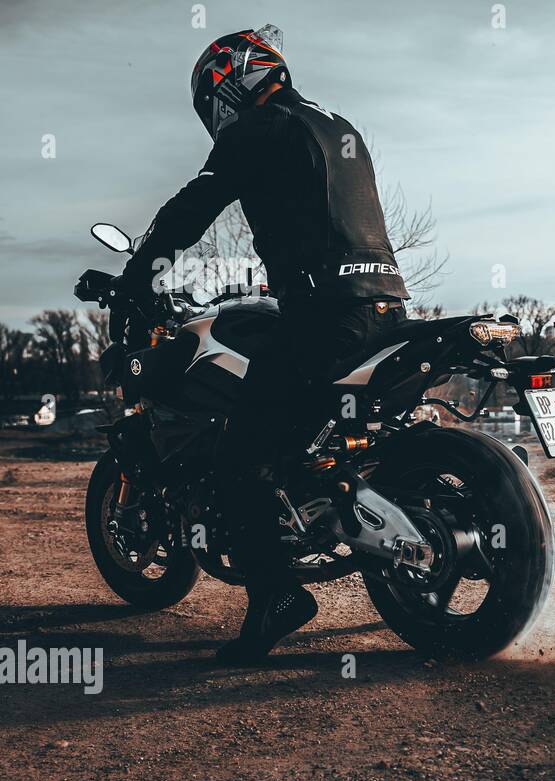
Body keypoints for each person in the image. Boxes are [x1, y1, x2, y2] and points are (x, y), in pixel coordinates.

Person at [113, 25, 409, 662]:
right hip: (385, 308)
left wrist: (138, 276)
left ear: (231, 79)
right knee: (312, 432)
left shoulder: (259, 127)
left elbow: (191, 210)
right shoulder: (336, 125)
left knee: (239, 457)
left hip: (322, 317)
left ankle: (276, 595)